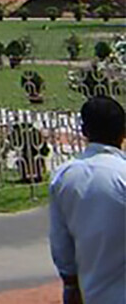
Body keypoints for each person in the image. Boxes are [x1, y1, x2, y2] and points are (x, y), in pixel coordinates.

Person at [49, 95, 126, 304]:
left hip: (91, 293)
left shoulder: (63, 176)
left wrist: (71, 285)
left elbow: (60, 241)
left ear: (84, 132)